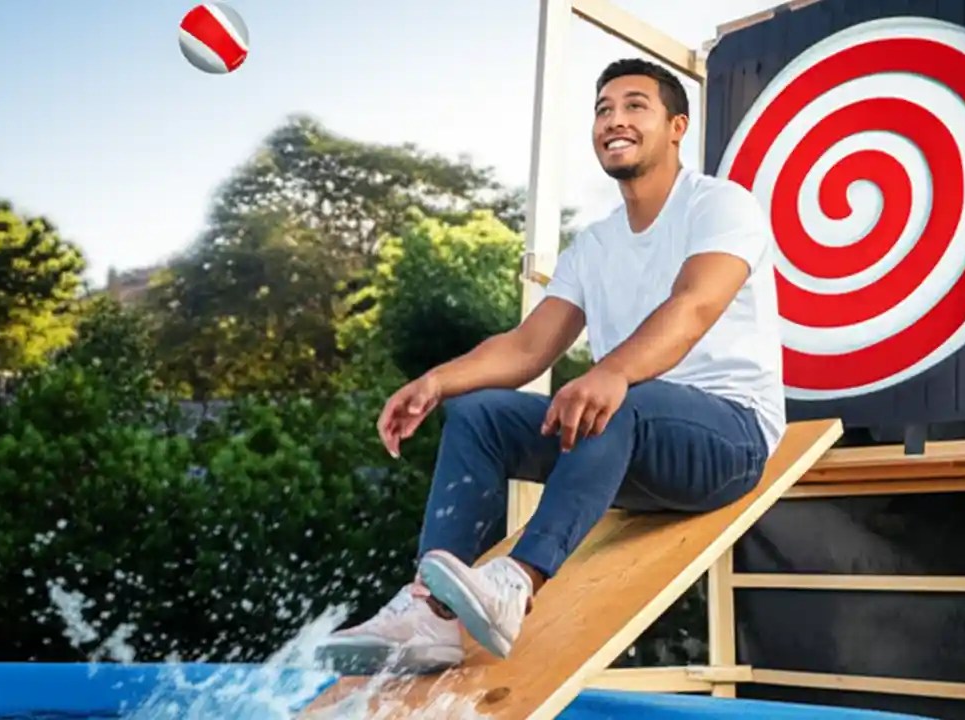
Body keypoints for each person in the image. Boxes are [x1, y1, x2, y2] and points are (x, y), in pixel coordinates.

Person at [316, 57, 785, 675]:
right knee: (480, 414)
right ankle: (431, 617)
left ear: (677, 126)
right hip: (627, 447)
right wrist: (435, 382)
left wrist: (612, 372)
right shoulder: (592, 245)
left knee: (622, 396)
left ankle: (515, 583)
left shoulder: (721, 206)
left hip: (730, 439)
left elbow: (694, 305)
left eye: (634, 105)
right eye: (603, 109)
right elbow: (527, 347)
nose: (614, 120)